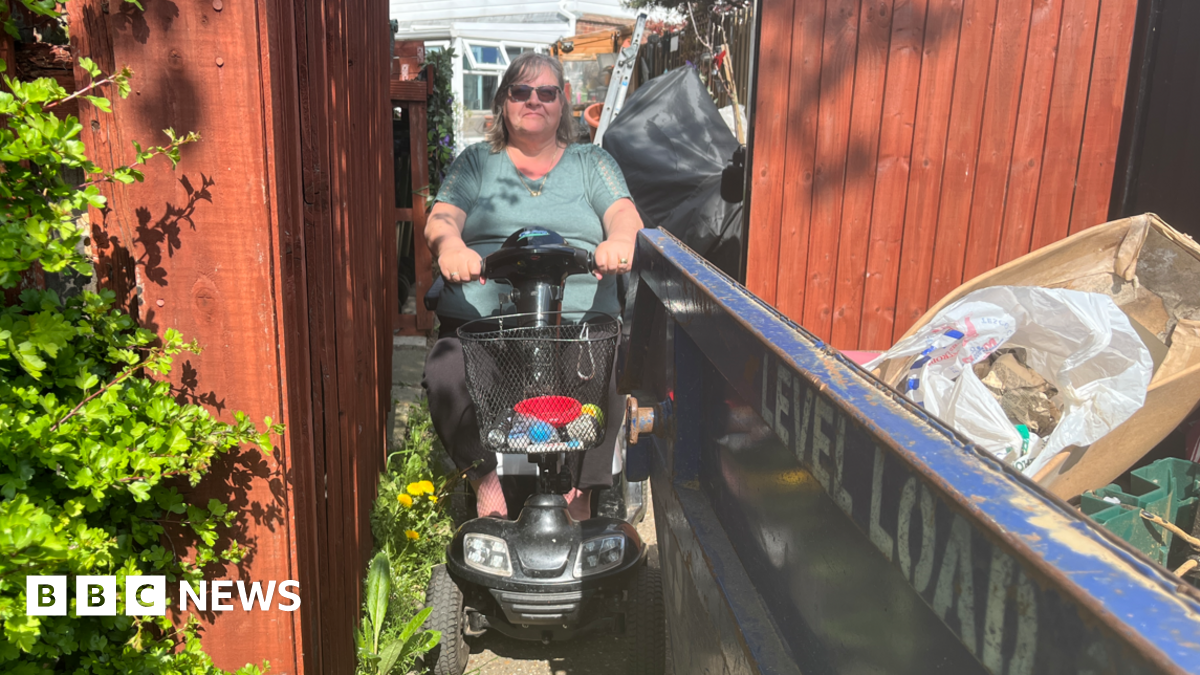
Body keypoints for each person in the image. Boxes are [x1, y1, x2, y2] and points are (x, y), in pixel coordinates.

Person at [422, 51, 643, 521]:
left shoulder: (591, 162)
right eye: (521, 91)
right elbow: (442, 218)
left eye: (547, 93)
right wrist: (451, 247)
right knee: (445, 369)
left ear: (563, 103)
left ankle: (580, 499)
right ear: (504, 101)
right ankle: (487, 485)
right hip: (488, 325)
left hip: (577, 323)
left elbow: (623, 214)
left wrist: (620, 240)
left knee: (609, 365)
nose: (534, 101)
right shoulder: (478, 163)